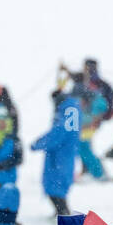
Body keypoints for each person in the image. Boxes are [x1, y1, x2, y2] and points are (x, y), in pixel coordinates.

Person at [31, 87, 81, 217]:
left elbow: (60, 134)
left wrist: (40, 143)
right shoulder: (66, 109)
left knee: (56, 185)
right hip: (60, 154)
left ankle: (63, 213)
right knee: (55, 185)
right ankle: (60, 212)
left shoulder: (69, 110)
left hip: (61, 155)